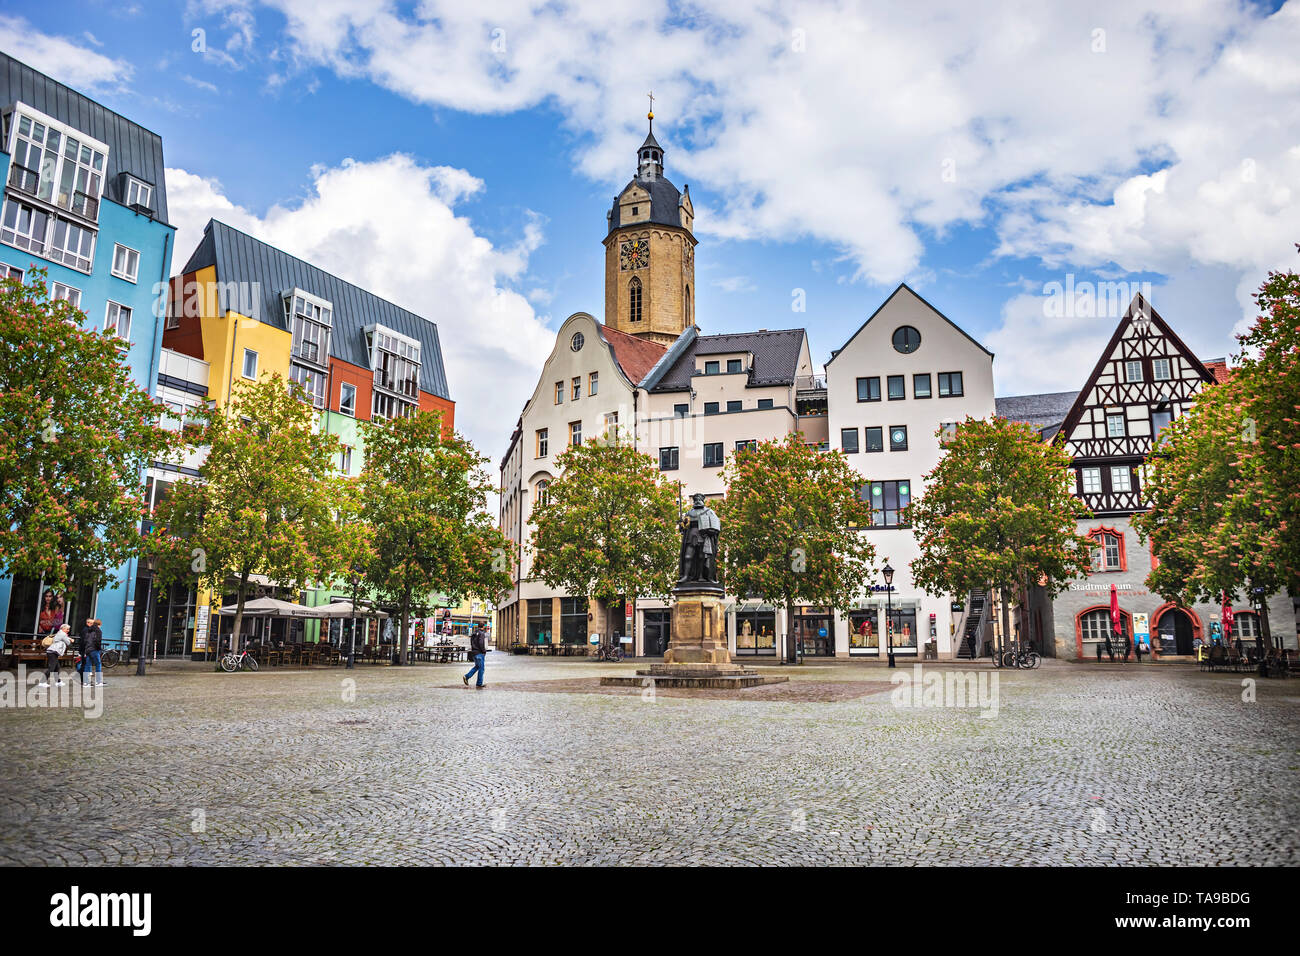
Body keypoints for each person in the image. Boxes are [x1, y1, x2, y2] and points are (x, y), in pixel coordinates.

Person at [79, 617, 104, 687]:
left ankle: (86, 682)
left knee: (87, 665)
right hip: (94, 649)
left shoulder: (88, 630)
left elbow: (85, 640)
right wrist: (99, 648)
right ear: (99, 624)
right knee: (98, 664)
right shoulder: (98, 631)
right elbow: (98, 641)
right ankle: (99, 681)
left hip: (88, 650)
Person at [463, 624, 488, 689]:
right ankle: (479, 683)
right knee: (481, 669)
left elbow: (471, 642)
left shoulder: (474, 633)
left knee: (477, 666)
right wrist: (483, 651)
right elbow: (481, 643)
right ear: (483, 627)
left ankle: (467, 677)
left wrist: (473, 649)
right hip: (479, 653)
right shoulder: (481, 633)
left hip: (474, 652)